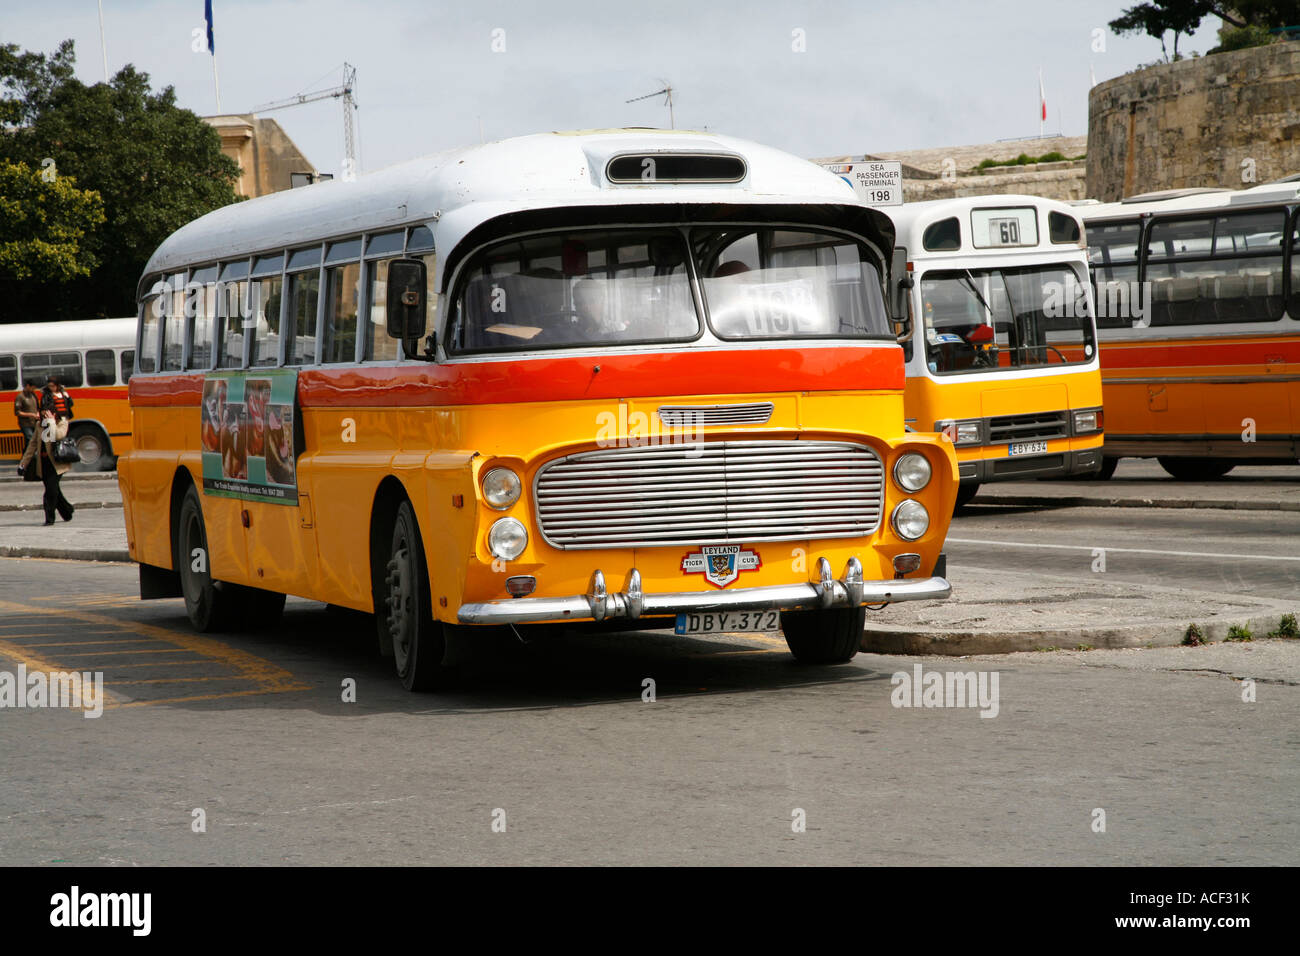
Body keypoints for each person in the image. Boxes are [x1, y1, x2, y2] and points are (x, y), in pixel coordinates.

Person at [22, 408, 74, 525]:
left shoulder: (62, 422)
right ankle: (67, 511)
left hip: (57, 464)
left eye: (47, 414)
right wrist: (24, 463)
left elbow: (58, 435)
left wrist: (51, 422)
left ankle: (49, 519)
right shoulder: (39, 425)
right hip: (44, 464)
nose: (44, 417)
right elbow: (33, 444)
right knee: (54, 490)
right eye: (42, 415)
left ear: (54, 414)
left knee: (50, 491)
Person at [13, 380, 40, 474]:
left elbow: (38, 408)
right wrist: (31, 414)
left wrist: (37, 414)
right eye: (32, 387)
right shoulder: (20, 397)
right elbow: (17, 412)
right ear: (28, 386)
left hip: (34, 423)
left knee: (30, 444)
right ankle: (24, 465)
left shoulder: (33, 396)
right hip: (25, 424)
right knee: (30, 441)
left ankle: (26, 464)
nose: (34, 389)